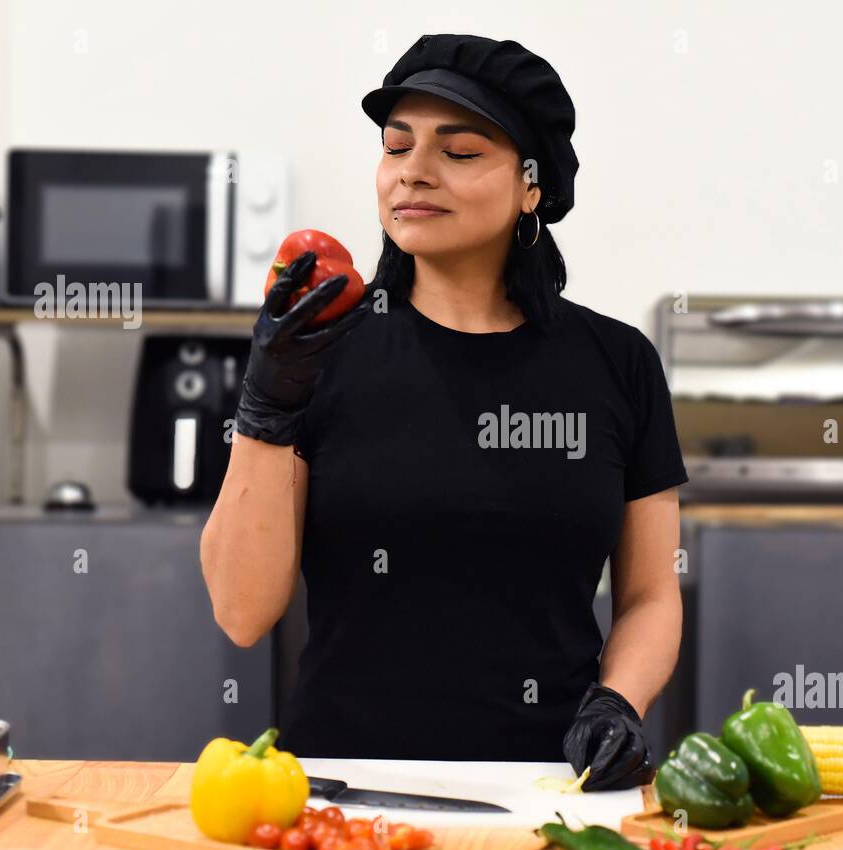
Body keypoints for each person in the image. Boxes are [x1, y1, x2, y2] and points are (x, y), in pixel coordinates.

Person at [200, 34, 687, 791]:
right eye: (397, 147)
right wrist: (266, 407)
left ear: (532, 186)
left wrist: (619, 701)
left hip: (551, 785)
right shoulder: (318, 351)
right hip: (343, 786)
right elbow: (239, 611)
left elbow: (652, 593)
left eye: (460, 151)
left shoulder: (618, 364)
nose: (414, 171)